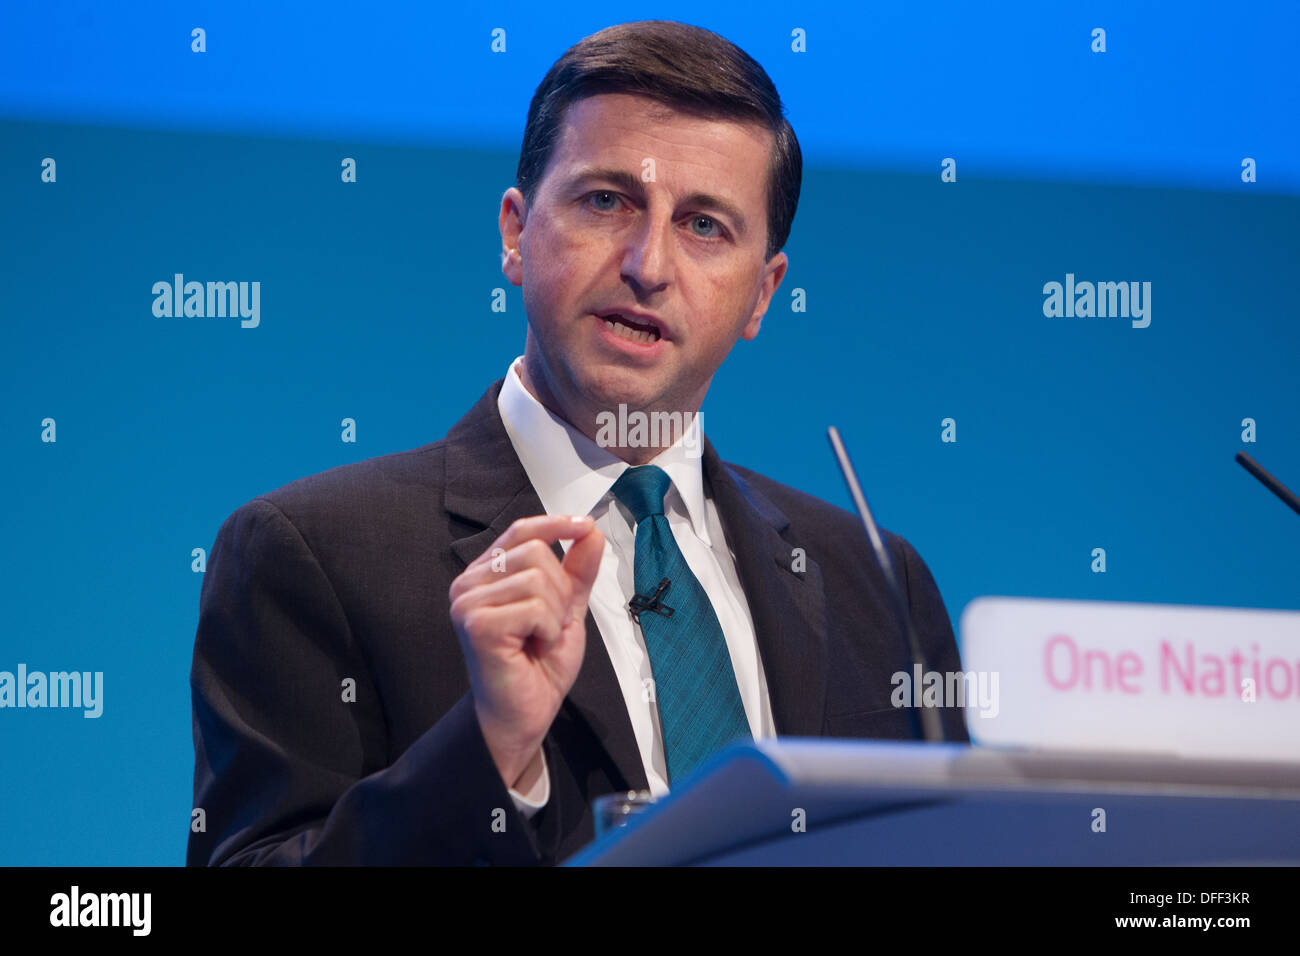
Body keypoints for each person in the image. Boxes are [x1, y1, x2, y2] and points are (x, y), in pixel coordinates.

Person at [187, 19, 968, 868]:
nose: (648, 265)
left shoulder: (876, 584)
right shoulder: (314, 554)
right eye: (606, 201)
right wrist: (491, 750)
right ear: (515, 233)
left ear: (762, 294)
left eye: (705, 225)